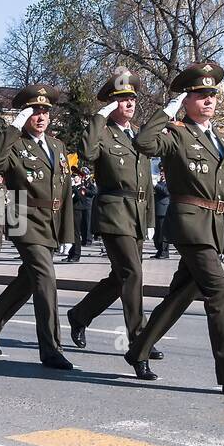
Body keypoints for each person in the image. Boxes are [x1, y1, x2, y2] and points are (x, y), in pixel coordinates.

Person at [125, 62, 224, 398]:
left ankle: (138, 349)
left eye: (211, 94)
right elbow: (144, 143)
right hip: (189, 224)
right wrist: (167, 109)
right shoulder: (175, 134)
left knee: (181, 294)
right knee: (220, 293)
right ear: (186, 100)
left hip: (215, 227)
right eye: (199, 95)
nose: (208, 100)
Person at [0, 85, 76, 370]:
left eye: (45, 111)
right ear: (25, 115)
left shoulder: (57, 147)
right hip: (25, 218)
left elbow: (65, 190)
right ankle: (51, 350)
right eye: (35, 111)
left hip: (52, 221)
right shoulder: (15, 144)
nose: (41, 116)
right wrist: (12, 128)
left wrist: (68, 233)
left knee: (29, 279)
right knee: (46, 279)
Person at [68, 69, 157, 357]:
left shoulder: (139, 136)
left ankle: (80, 315)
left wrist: (151, 219)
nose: (129, 104)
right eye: (122, 99)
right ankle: (140, 338)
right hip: (114, 212)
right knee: (133, 274)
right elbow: (88, 154)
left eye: (132, 98)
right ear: (110, 104)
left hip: (137, 214)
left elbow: (146, 183)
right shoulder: (103, 133)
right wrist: (98, 117)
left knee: (120, 278)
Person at [68, 167, 94, 262]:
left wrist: (74, 187)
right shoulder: (74, 187)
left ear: (80, 178)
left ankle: (76, 255)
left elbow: (79, 197)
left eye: (76, 176)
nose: (74, 178)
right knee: (72, 234)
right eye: (73, 176)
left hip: (78, 211)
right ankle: (71, 254)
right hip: (72, 211)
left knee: (76, 234)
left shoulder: (81, 188)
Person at [152, 170, 170, 258]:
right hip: (157, 209)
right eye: (161, 172)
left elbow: (166, 191)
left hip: (164, 210)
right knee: (158, 233)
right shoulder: (159, 183)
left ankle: (164, 252)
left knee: (164, 234)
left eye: (164, 172)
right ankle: (159, 250)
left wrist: (156, 185)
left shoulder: (169, 183)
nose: (162, 174)